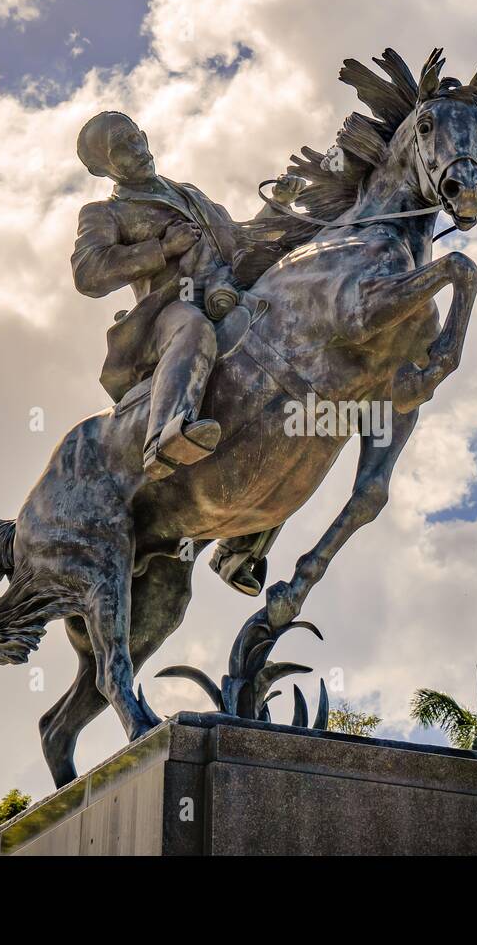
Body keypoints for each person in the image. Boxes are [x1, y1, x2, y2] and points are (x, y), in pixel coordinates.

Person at [71, 111, 299, 592]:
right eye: (124, 147)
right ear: (103, 169)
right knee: (193, 331)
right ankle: (164, 438)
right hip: (171, 314)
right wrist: (160, 248)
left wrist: (277, 209)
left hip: (232, 298)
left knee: (298, 374)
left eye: (138, 136)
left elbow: (237, 241)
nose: (140, 148)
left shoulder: (190, 193)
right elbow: (88, 274)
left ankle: (242, 550)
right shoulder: (104, 214)